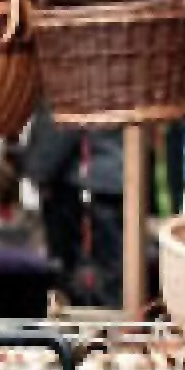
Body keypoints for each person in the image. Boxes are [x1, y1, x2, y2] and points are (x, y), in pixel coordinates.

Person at [21, 103, 126, 309]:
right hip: (105, 180)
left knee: (87, 284)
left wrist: (35, 172)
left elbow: (60, 122)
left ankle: (97, 334)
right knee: (108, 279)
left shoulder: (72, 82)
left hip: (86, 187)